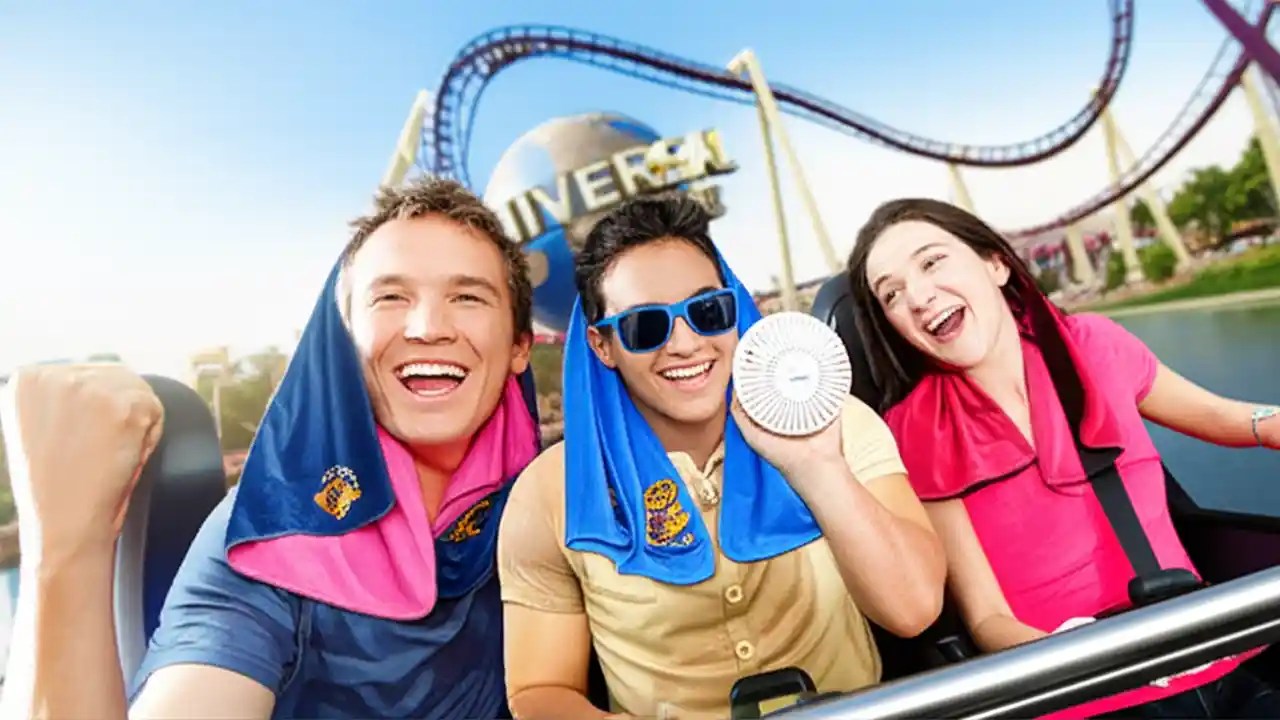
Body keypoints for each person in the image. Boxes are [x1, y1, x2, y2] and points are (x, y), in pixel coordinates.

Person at [1, 178, 542, 719]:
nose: (428, 328)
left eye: (468, 296)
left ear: (520, 346)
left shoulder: (552, 498)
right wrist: (64, 551)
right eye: (391, 297)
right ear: (343, 339)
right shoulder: (269, 532)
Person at [497, 194, 947, 719]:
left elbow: (913, 610)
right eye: (647, 326)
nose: (686, 344)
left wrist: (816, 467)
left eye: (708, 311)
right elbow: (538, 692)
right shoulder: (551, 491)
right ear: (602, 345)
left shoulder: (833, 420)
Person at [847, 197, 1280, 718]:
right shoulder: (915, 430)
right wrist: (1085, 662)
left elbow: (1232, 419)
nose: (916, 296)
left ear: (996, 263)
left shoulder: (1096, 344)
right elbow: (986, 619)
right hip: (1085, 694)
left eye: (932, 261)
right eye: (891, 294)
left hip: (1213, 655)